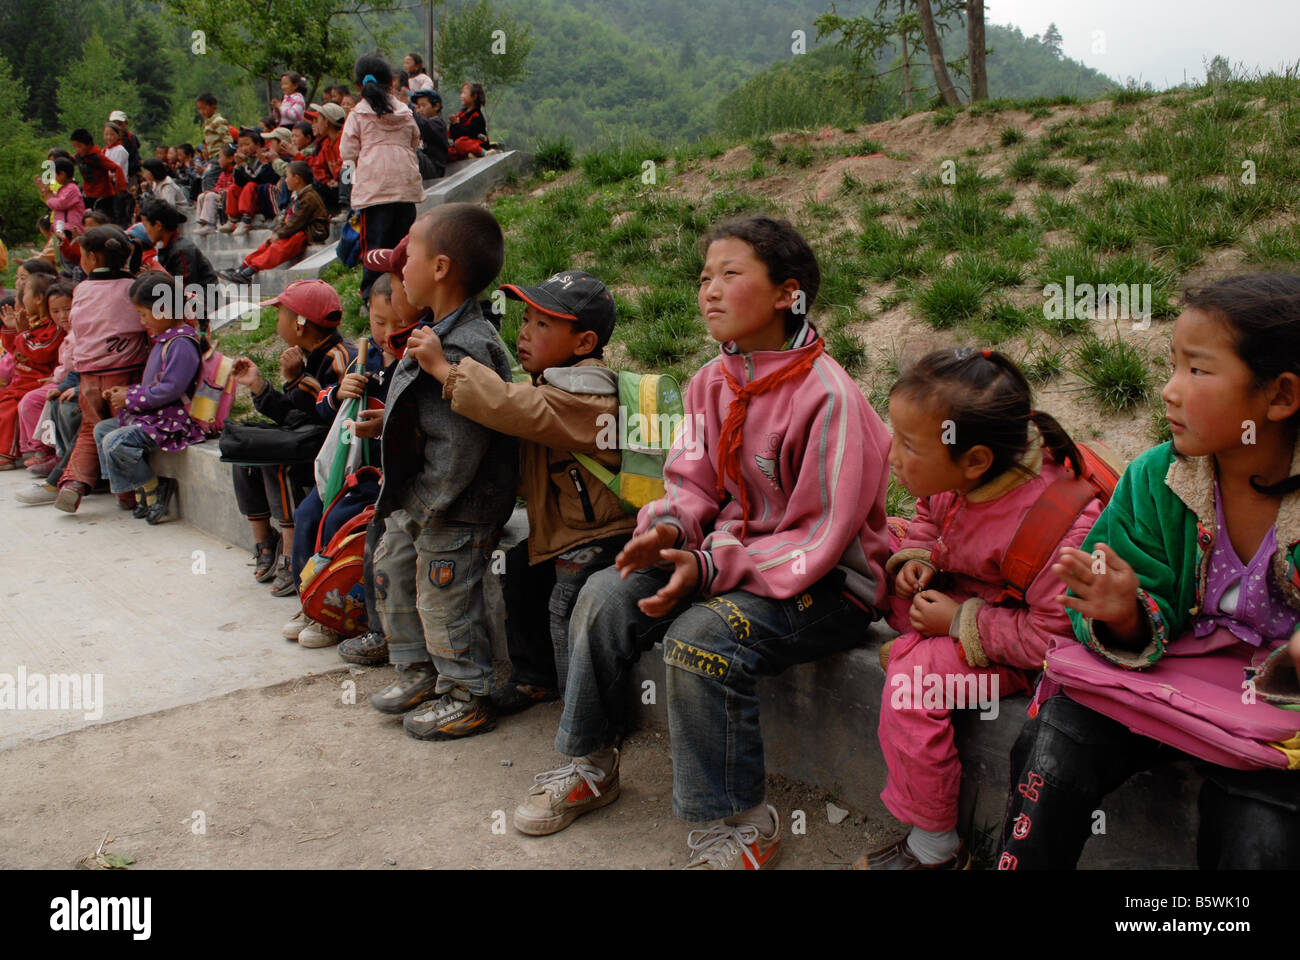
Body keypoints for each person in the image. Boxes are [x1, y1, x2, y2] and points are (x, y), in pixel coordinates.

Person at [511, 217, 893, 870]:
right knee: (604, 593)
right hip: (726, 562)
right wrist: (664, 533)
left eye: (730, 274)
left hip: (824, 584)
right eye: (703, 277)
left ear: (787, 295)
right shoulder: (709, 383)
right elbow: (689, 485)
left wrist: (708, 566)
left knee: (701, 638)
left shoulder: (830, 397)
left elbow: (815, 538)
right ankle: (592, 762)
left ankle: (741, 818)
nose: (709, 290)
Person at [999, 273, 1300, 870]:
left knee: (1261, 831)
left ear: (1281, 396)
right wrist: (1123, 614)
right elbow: (1124, 601)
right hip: (1167, 682)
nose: (1169, 390)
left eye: (1198, 370)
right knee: (1055, 739)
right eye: (1172, 366)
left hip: (1280, 721)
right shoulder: (1157, 479)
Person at [847, 347, 1103, 870]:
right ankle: (921, 634)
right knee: (879, 569)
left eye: (908, 445)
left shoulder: (1057, 525)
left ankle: (935, 847)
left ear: (976, 460)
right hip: (974, 595)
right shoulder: (963, 473)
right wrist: (916, 559)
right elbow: (930, 515)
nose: (891, 456)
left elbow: (1054, 641)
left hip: (1024, 646)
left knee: (912, 684)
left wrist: (959, 623)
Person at [419, 269, 636, 712]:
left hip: (605, 535)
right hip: (567, 531)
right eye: (524, 320)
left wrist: (446, 370)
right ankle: (537, 679)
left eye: (542, 324)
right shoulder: (553, 385)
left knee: (565, 608)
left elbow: (516, 407)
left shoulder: (589, 394)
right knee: (519, 571)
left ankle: (588, 714)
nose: (524, 333)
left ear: (584, 344)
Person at [361, 204, 518, 737]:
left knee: (444, 591)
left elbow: (463, 441)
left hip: (456, 503)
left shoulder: (465, 343)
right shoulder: (435, 333)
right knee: (392, 564)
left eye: (413, 252)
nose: (402, 264)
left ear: (442, 268)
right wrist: (388, 423)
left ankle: (467, 690)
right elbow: (431, 418)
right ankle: (417, 668)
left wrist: (430, 503)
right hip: (425, 496)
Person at [229, 280, 356, 595]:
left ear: (300, 324)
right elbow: (295, 416)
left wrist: (299, 379)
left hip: (335, 452)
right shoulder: (307, 354)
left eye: (281, 315)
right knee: (246, 456)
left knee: (279, 463)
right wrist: (260, 387)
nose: (276, 322)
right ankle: (264, 541)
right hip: (311, 441)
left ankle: (290, 553)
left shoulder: (341, 358)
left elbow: (331, 415)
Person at [93, 273, 207, 524]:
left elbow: (169, 390)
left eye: (144, 314)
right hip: (154, 415)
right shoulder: (165, 339)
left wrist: (130, 397)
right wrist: (124, 393)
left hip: (171, 421)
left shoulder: (181, 343)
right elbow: (155, 384)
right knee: (103, 430)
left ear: (164, 309)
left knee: (115, 441)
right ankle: (136, 488)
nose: (141, 321)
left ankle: (153, 487)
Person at [54, 226, 150, 513]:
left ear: (92, 258)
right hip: (125, 372)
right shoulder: (133, 287)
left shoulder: (82, 289)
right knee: (121, 431)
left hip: (88, 377)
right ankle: (126, 494)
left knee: (89, 429)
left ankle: (73, 483)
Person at [341, 53, 422, 301]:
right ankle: (406, 293)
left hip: (375, 191)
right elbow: (415, 140)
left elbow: (347, 151)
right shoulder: (404, 112)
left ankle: (371, 296)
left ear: (358, 86)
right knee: (403, 243)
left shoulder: (358, 114)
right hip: (405, 187)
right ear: (391, 83)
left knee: (375, 246)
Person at [221, 162, 328, 284]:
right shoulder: (297, 196)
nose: (285, 180)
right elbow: (289, 220)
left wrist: (279, 235)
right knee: (267, 244)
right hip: (298, 229)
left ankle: (249, 271)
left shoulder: (309, 197)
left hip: (312, 232)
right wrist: (277, 234)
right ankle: (241, 269)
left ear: (297, 178)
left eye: (287, 176)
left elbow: (296, 221)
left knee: (281, 245)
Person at [0, 274, 66, 468]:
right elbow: (17, 353)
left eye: (25, 292)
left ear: (38, 298)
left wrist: (21, 333)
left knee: (9, 409)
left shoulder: (53, 328)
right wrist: (14, 331)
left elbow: (40, 353)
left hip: (38, 380)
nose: (21, 297)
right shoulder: (33, 324)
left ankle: (8, 454)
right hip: (22, 381)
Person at [15, 280, 75, 478]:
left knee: (33, 400)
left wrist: (22, 333)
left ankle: (50, 452)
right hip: (54, 379)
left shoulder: (72, 331)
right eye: (56, 311)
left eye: (67, 309)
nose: (62, 316)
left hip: (67, 381)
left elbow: (40, 355)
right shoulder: (63, 330)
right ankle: (38, 450)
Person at [138, 198, 221, 336]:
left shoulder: (182, 250)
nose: (146, 232)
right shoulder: (169, 247)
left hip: (203, 304)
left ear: (158, 225)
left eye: (146, 226)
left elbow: (185, 289)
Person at [220, 129, 280, 236]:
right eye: (241, 145)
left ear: (257, 145)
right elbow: (239, 182)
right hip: (248, 195)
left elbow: (256, 178)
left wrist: (243, 165)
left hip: (261, 196)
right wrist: (238, 166)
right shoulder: (247, 158)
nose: (243, 148)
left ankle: (246, 219)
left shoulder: (265, 155)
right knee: (233, 188)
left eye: (247, 144)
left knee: (250, 185)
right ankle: (233, 219)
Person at [70, 129, 129, 226]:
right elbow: (69, 162)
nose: (77, 149)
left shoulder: (98, 157)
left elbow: (116, 168)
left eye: (79, 146)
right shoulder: (79, 156)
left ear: (88, 145)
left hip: (103, 196)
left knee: (103, 222)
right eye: (75, 147)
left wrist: (120, 188)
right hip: (88, 193)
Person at [305, 102, 345, 210]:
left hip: (349, 183)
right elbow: (318, 167)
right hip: (335, 184)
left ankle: (346, 209)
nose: (316, 124)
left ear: (326, 122)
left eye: (318, 120)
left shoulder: (344, 139)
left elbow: (346, 163)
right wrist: (326, 180)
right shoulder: (327, 144)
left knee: (346, 172)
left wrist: (336, 179)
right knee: (315, 182)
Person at [32, 158, 85, 238]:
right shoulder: (65, 188)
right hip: (63, 227)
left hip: (70, 228)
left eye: (55, 175)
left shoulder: (72, 188)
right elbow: (58, 202)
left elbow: (61, 203)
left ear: (62, 174)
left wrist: (49, 199)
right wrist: (47, 193)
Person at [194, 144, 237, 235]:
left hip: (228, 197)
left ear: (230, 159)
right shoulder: (223, 174)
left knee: (211, 196)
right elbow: (218, 186)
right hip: (221, 195)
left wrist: (218, 191)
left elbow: (235, 185)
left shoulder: (235, 172)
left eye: (220, 158)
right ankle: (202, 224)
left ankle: (211, 225)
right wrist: (213, 190)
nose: (218, 160)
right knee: (202, 196)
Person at [409, 89, 448, 180]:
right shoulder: (423, 123)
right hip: (423, 165)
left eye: (423, 105)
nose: (419, 110)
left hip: (434, 169)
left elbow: (423, 125)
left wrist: (408, 106)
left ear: (436, 106)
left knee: (412, 152)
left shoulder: (438, 124)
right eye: (418, 107)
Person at [447, 82, 488, 160]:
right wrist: (453, 125)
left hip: (475, 143)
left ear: (474, 96)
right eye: (461, 93)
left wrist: (456, 124)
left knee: (460, 143)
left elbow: (469, 134)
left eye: (464, 93)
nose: (461, 96)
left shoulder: (477, 116)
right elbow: (454, 135)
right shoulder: (461, 114)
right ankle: (468, 155)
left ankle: (484, 153)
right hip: (460, 144)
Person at [196, 93, 234, 160]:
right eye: (199, 109)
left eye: (204, 108)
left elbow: (227, 140)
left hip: (218, 156)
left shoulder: (218, 121)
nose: (201, 112)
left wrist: (225, 155)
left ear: (213, 107)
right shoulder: (207, 123)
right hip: (212, 157)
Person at [109, 110, 142, 183]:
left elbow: (133, 155)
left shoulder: (130, 138)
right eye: (114, 124)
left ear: (126, 124)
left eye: (120, 124)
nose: (118, 126)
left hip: (129, 174)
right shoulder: (110, 138)